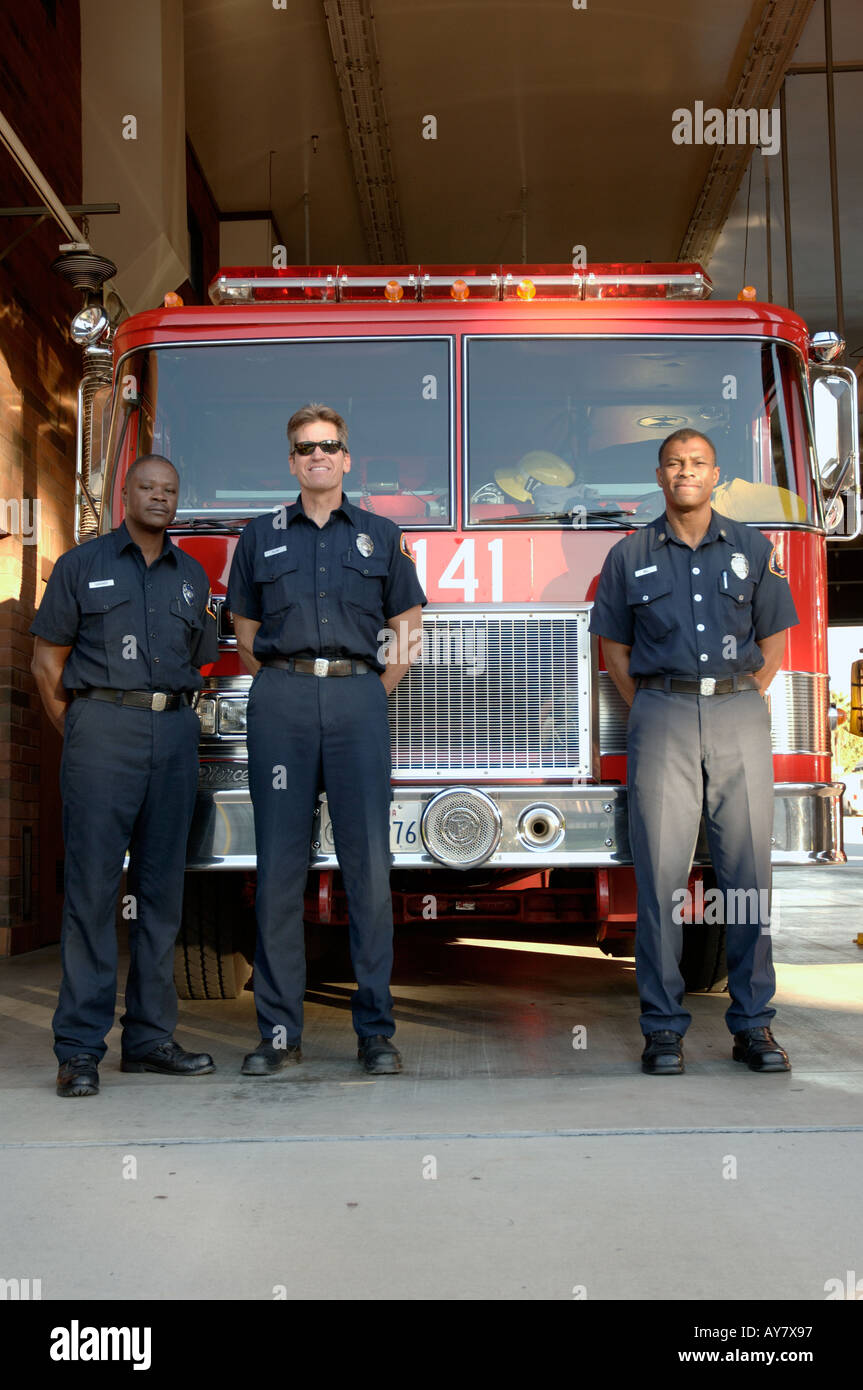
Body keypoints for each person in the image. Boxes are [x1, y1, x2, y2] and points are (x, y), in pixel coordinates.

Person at [589, 429, 798, 1075]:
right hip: (661, 715)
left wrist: (739, 695)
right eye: (675, 464)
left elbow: (774, 637)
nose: (685, 472)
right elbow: (614, 653)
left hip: (737, 712)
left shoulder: (750, 546)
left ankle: (753, 1028)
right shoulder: (629, 555)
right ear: (659, 476)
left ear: (714, 476)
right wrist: (656, 703)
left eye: (697, 464)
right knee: (658, 882)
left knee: (745, 880)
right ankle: (661, 1030)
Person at [227, 403, 426, 1076]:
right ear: (291, 462)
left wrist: (369, 689)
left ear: (345, 459)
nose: (317, 455)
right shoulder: (259, 537)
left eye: (329, 445)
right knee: (279, 871)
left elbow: (405, 621)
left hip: (356, 699)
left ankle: (375, 1032)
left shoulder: (380, 534)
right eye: (305, 447)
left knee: (368, 870)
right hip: (280, 698)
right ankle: (278, 1035)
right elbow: (246, 632)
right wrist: (291, 681)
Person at [30, 455, 220, 1097]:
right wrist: (83, 732)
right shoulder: (83, 566)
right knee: (92, 894)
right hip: (101, 731)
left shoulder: (192, 578)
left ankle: (147, 1040)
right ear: (125, 494)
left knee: (162, 893)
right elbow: (46, 663)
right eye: (148, 488)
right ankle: (79, 1051)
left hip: (171, 734)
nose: (159, 498)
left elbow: (198, 659)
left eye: (170, 490)